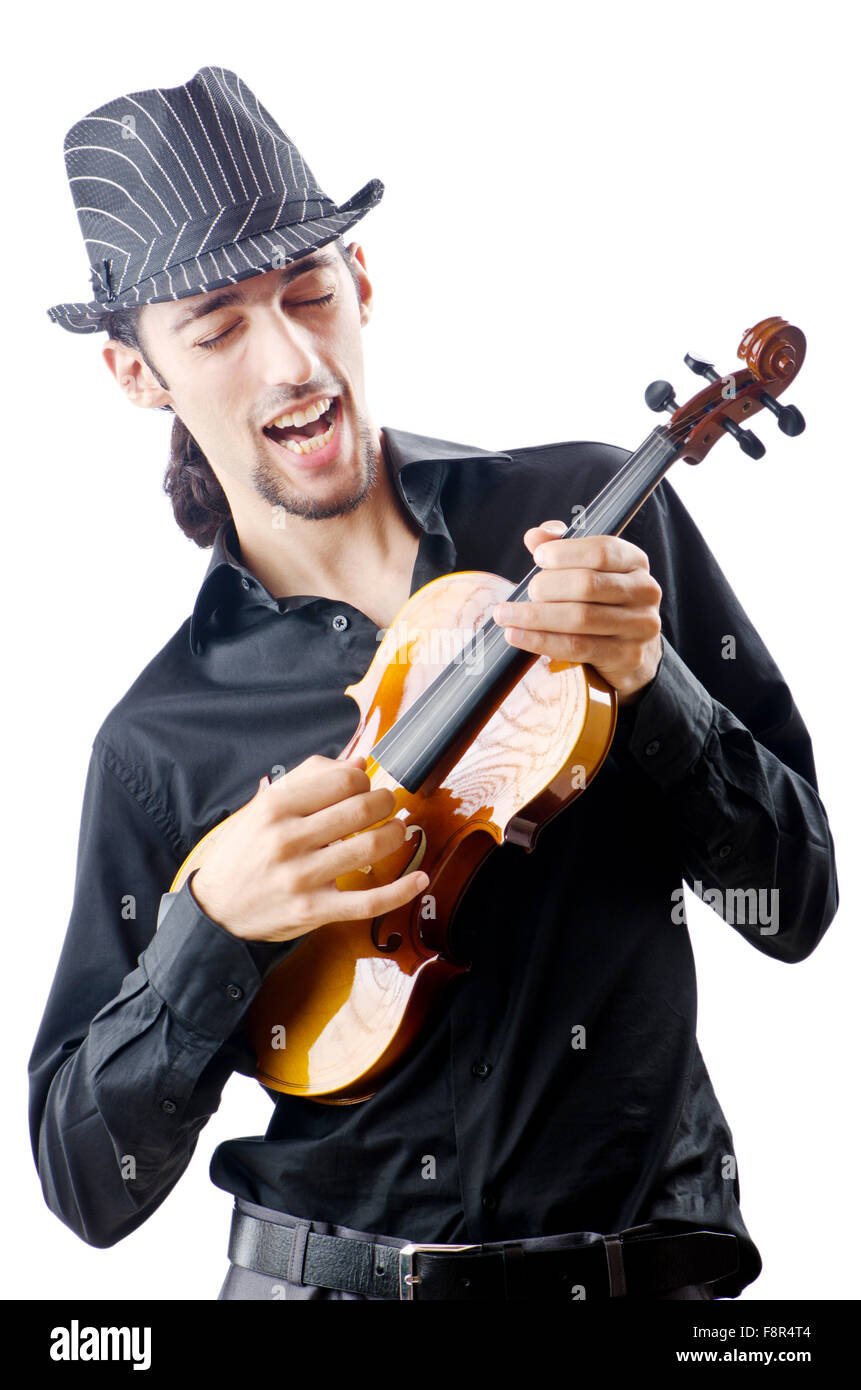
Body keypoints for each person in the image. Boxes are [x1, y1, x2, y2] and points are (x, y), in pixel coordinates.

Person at [29, 65, 838, 1302]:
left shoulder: (586, 526)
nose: (294, 358)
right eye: (219, 327)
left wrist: (652, 683)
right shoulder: (158, 736)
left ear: (363, 281)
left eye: (310, 293)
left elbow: (793, 908)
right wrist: (217, 930)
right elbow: (87, 1183)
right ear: (138, 374)